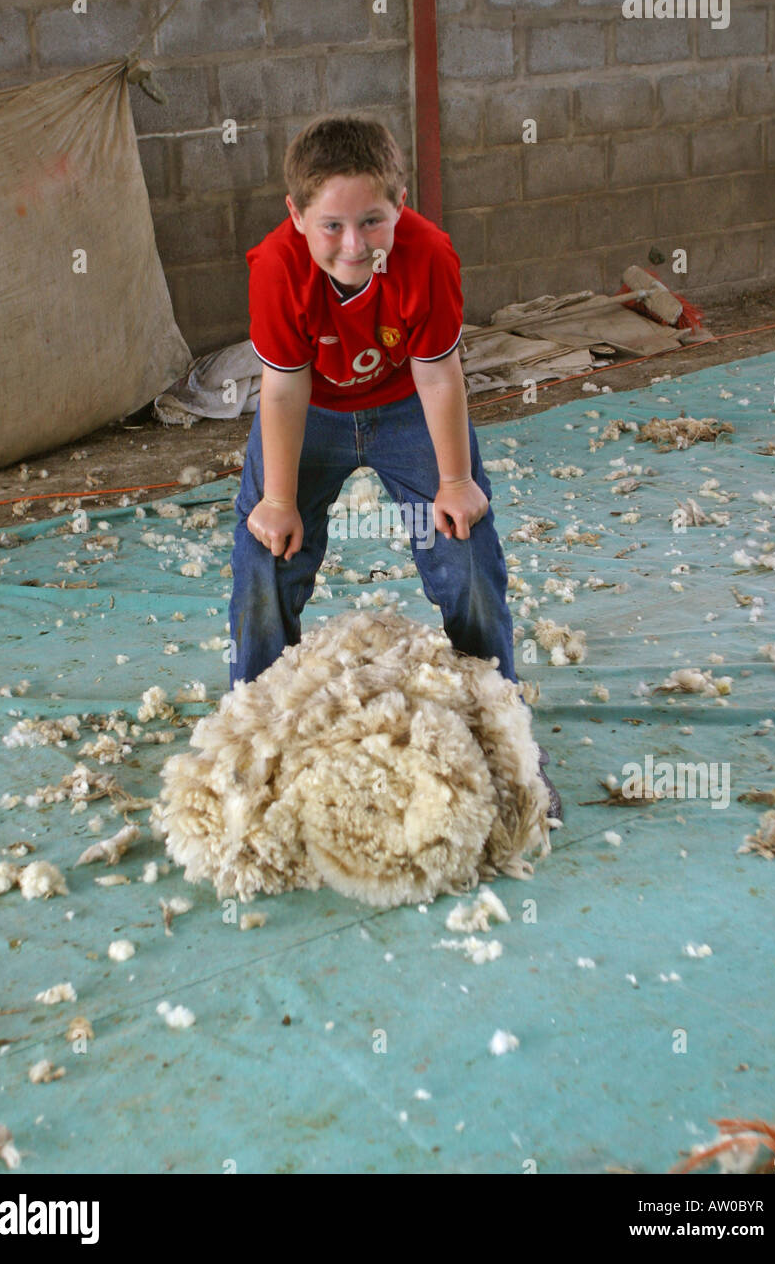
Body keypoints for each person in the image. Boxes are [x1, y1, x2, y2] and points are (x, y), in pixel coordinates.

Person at [228, 114, 561, 818]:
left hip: (407, 404)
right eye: (332, 226)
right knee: (264, 551)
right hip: (311, 411)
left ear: (399, 206)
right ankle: (253, 741)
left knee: (466, 549)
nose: (355, 245)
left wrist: (454, 482)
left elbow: (439, 374)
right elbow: (283, 389)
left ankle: (503, 744)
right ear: (296, 217)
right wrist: (280, 501)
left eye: (372, 222)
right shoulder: (276, 268)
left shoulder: (428, 257)